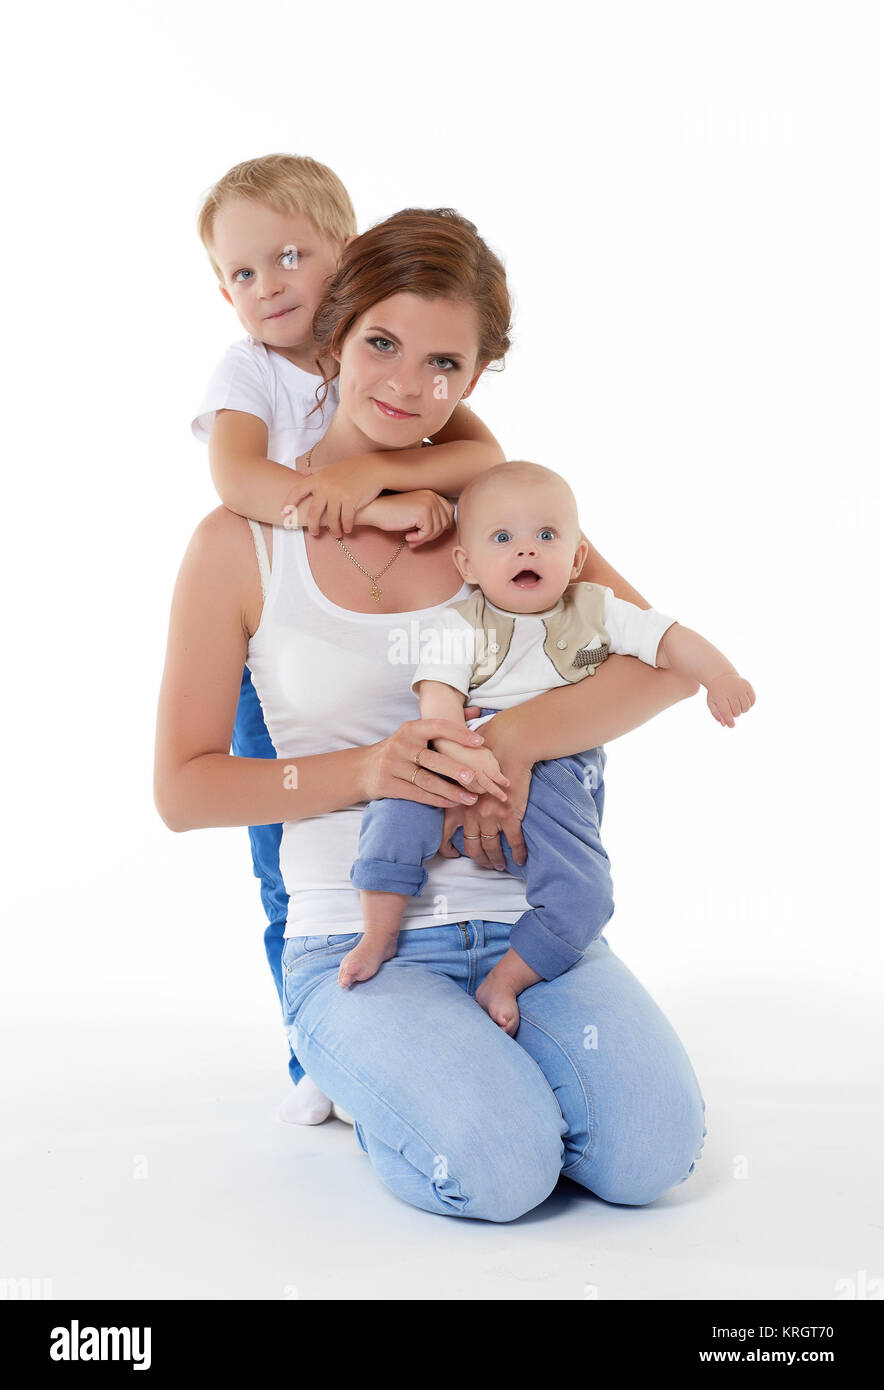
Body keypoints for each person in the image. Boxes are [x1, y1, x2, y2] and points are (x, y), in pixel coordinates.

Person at [155, 207, 707, 1221]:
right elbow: (184, 788)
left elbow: (662, 665)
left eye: (444, 362)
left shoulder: (502, 519)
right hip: (357, 946)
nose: (408, 387)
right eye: (379, 344)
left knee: (650, 1156)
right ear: (332, 333)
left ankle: (472, 1069)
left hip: (530, 930)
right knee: (501, 1171)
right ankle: (399, 1070)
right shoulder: (236, 547)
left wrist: (501, 740)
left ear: (476, 377)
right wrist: (373, 771)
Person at [193, 155, 507, 1121]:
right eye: (242, 274)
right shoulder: (248, 372)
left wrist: (401, 489)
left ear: (349, 259)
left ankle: (429, 991)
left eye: (290, 257)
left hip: (388, 636)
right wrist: (328, 504)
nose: (269, 286)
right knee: (283, 852)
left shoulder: (384, 350)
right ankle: (315, 1054)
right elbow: (237, 479)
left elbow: (483, 456)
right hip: (279, 635)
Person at [345, 460, 756, 1032]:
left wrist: (722, 676)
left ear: (577, 556)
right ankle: (378, 933)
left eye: (546, 536)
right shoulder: (461, 625)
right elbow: (437, 700)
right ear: (467, 564)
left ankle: (509, 977)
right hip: (466, 752)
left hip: (559, 773)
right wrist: (460, 756)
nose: (526, 552)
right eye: (503, 539)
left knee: (586, 894)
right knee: (394, 808)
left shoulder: (597, 609)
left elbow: (669, 639)